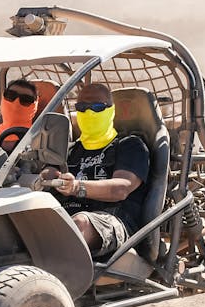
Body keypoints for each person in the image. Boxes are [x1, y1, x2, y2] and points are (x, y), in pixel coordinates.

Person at [40, 82, 150, 259]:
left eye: (98, 107)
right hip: (65, 215)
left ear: (111, 111)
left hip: (111, 219)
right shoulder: (69, 150)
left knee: (79, 223)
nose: (89, 112)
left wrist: (77, 187)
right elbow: (49, 173)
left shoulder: (130, 145)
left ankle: (55, 280)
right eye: (82, 107)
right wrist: (45, 177)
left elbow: (120, 189)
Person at [0, 78, 39, 151]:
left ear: (34, 105)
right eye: (11, 95)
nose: (16, 103)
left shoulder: (36, 144)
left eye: (26, 100)